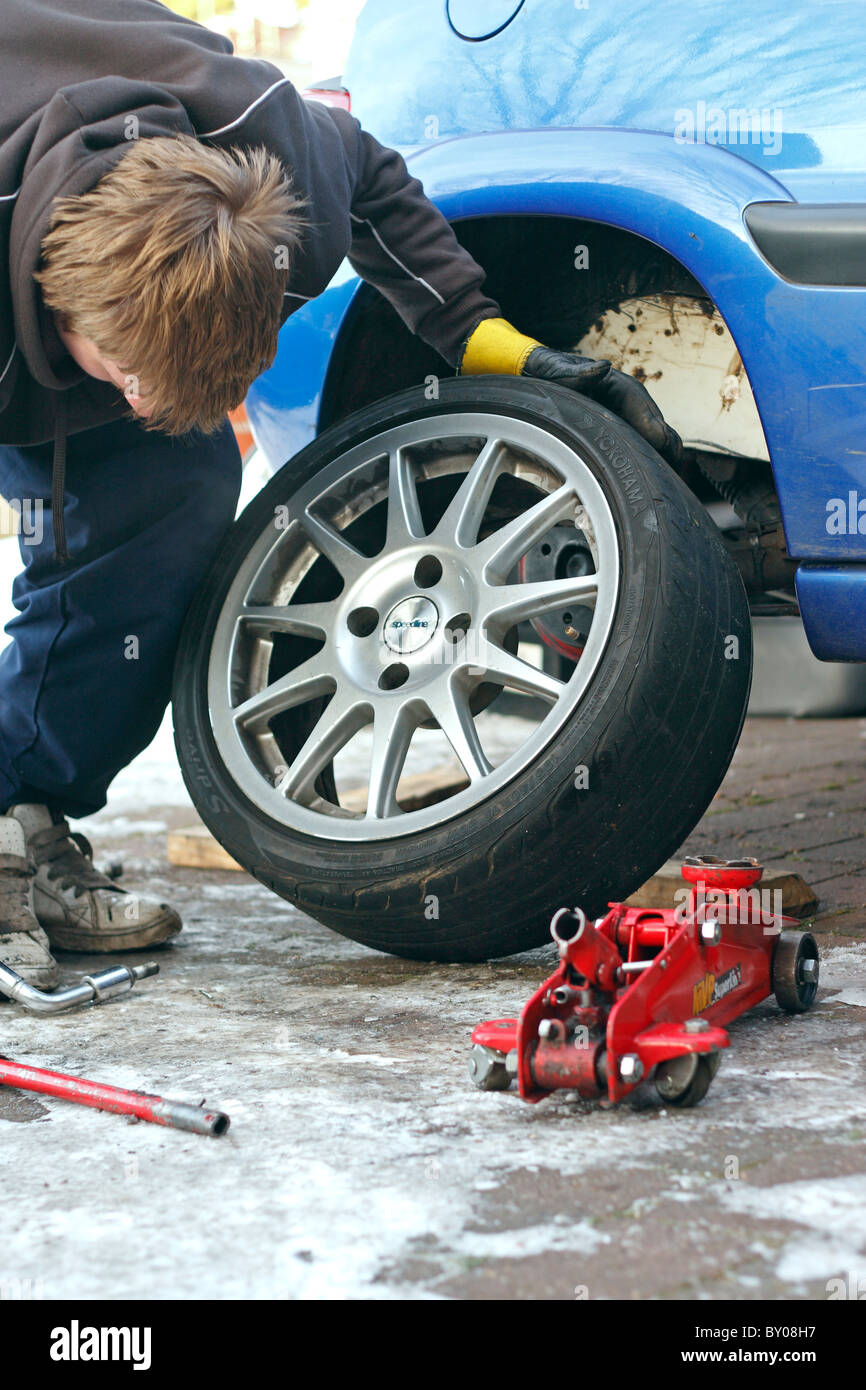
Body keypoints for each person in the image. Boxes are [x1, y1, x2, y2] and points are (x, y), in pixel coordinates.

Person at [0, 0, 681, 987]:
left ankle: (20, 815)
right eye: (122, 370)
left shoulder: (278, 162)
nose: (141, 397)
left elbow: (376, 180)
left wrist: (507, 353)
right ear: (59, 294)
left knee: (174, 502)